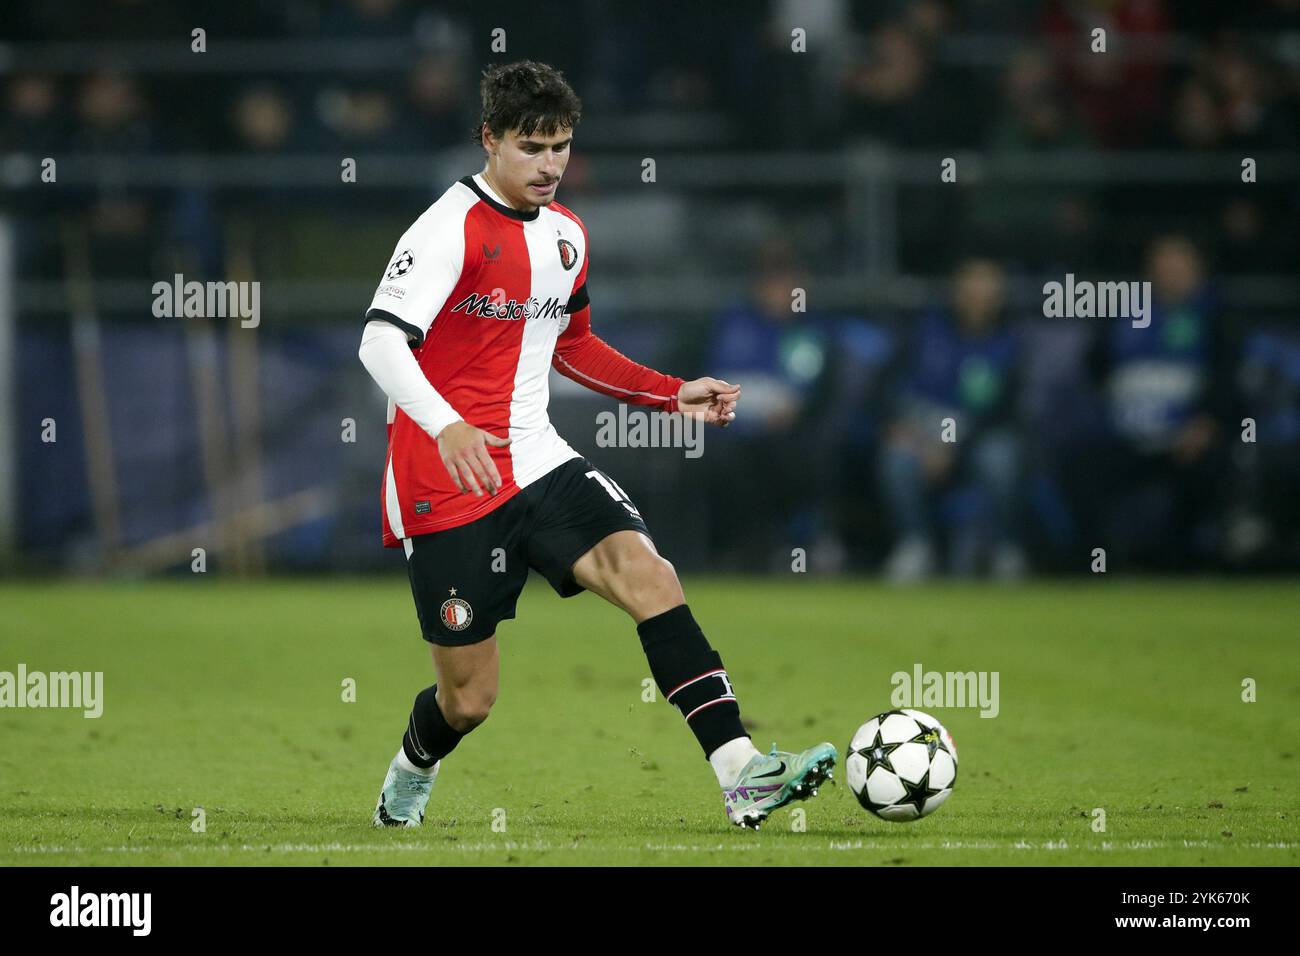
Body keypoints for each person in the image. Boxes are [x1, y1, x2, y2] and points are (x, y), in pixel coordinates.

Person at [357, 60, 834, 830]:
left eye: (561, 147)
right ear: (490, 140)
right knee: (469, 700)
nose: (549, 166)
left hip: (538, 458)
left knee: (650, 576)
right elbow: (379, 344)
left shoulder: (568, 237)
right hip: (447, 475)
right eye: (531, 147)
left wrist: (670, 392)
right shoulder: (446, 229)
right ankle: (412, 769)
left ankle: (741, 772)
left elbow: (574, 347)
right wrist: (444, 424)